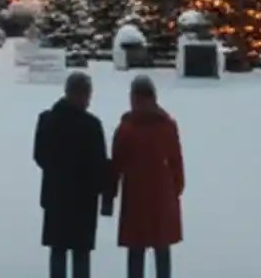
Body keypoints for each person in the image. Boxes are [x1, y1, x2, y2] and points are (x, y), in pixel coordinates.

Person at [34, 71, 109, 278]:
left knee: (58, 251)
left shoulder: (47, 120)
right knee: (80, 254)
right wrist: (103, 191)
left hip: (55, 197)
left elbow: (40, 156)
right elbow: (100, 164)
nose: (88, 99)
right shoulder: (91, 125)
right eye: (87, 94)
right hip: (83, 201)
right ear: (79, 94)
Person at [108, 75, 184, 278]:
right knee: (161, 247)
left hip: (135, 196)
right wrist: (176, 188)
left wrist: (110, 194)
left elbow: (116, 164)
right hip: (162, 194)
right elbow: (176, 160)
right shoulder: (166, 125)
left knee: (136, 249)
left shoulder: (126, 129)